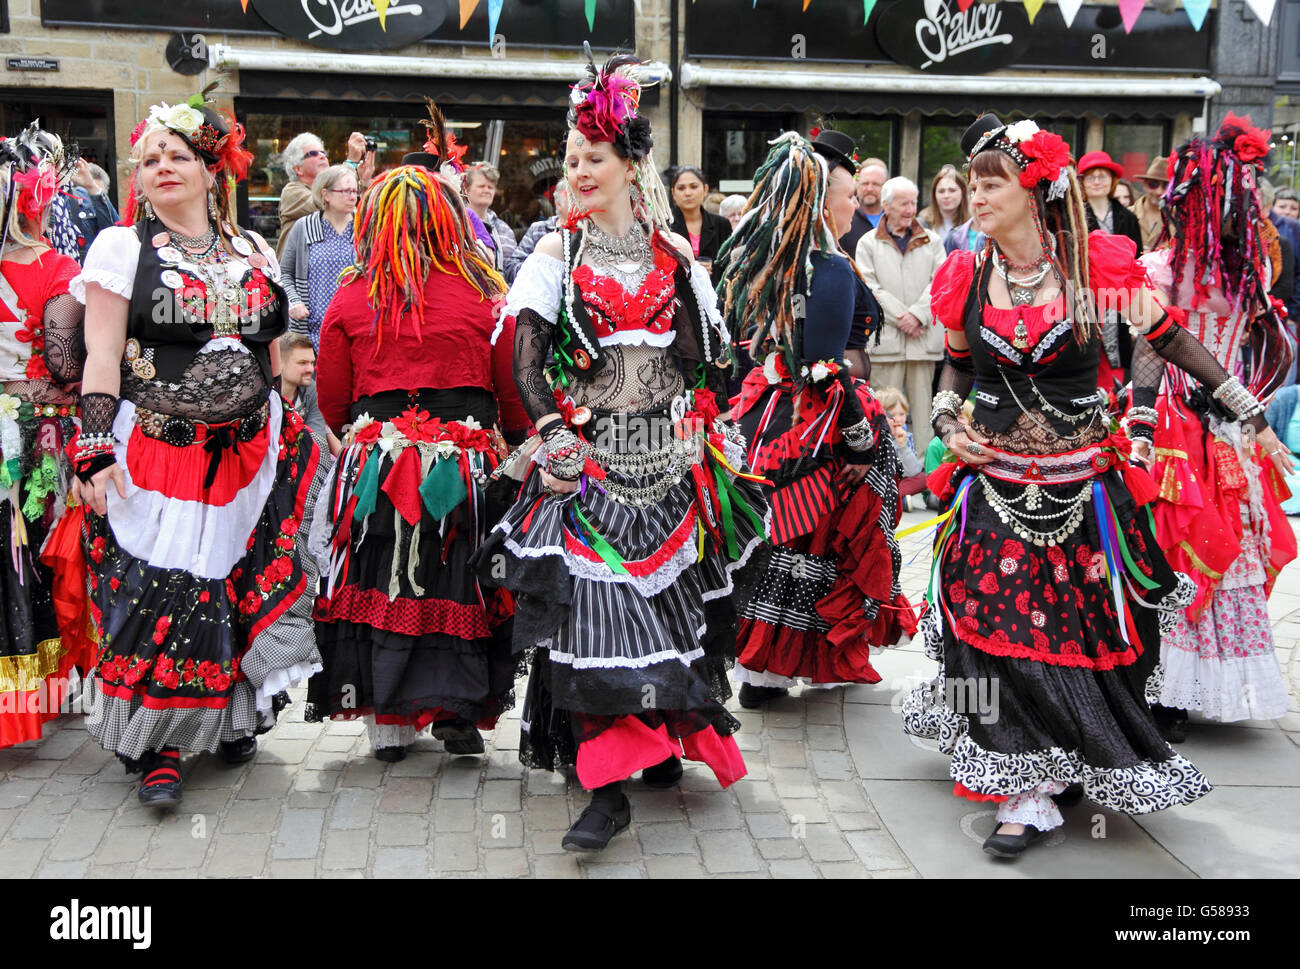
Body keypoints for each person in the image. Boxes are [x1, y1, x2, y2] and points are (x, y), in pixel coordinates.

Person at [900, 113, 1253, 859]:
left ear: (1034, 191)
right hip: (992, 483)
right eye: (972, 183)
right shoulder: (968, 273)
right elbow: (960, 365)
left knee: (1073, 635)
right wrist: (942, 410)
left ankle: (1061, 760)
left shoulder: (1089, 275)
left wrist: (1233, 394)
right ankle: (1024, 787)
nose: (975, 194)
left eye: (992, 182)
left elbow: (1168, 338)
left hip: (1083, 490)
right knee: (990, 626)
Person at [482, 53, 764, 852]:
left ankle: (663, 732)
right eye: (570, 159)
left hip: (668, 467)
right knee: (594, 619)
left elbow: (710, 355)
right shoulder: (554, 254)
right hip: (590, 464)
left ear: (629, 165)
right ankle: (606, 785)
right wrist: (553, 433)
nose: (576, 170)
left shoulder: (674, 253)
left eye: (591, 158)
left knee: (669, 610)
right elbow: (526, 359)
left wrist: (698, 411)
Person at [70, 94, 321, 808]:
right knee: (165, 595)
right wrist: (91, 446)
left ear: (213, 172)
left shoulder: (253, 250)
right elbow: (102, 353)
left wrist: (289, 408)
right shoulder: (123, 250)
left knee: (233, 589)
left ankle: (231, 716)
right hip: (159, 456)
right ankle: (161, 745)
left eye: (177, 155)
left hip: (249, 454)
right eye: (149, 159)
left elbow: (269, 348)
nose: (160, 167)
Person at [307, 159, 530, 763]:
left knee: (379, 579)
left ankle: (388, 723)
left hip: (376, 465)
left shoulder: (354, 292)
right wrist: (515, 442)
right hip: (463, 466)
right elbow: (510, 387)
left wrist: (361, 433)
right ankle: (455, 709)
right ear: (449, 221)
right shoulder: (485, 289)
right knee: (456, 576)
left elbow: (332, 396)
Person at [721, 132, 907, 708]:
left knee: (780, 534)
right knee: (815, 534)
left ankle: (765, 669)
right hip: (814, 420)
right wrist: (856, 440)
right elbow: (824, 368)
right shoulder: (826, 265)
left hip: (769, 410)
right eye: (849, 196)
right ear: (824, 200)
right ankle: (794, 661)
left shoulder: (775, 256)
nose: (856, 206)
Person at [1138, 116, 1298, 736]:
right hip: (1187, 426)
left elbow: (1271, 340)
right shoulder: (1164, 270)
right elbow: (1149, 355)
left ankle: (1182, 687)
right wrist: (1145, 423)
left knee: (1218, 552)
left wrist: (1254, 400)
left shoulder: (1242, 271)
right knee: (1182, 549)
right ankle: (1166, 687)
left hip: (1223, 428)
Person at [0, 123, 95, 748]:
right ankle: (61, 686)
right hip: (46, 437)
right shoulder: (58, 268)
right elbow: (65, 363)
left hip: (2, 429)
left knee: (12, 565)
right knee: (53, 557)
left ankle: (22, 694)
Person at [854, 175, 947, 451]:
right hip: (887, 343)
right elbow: (869, 288)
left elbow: (940, 282)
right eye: (903, 203)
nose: (910, 209)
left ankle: (928, 480)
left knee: (923, 418)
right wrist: (902, 317)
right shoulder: (867, 243)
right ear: (886, 205)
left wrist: (918, 315)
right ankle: (887, 472)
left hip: (923, 340)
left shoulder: (933, 241)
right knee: (884, 412)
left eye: (913, 203)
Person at [279, 163, 358, 352]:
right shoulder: (304, 227)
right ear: (326, 194)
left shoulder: (364, 227)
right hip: (310, 333)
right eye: (346, 191)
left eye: (355, 191)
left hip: (355, 331)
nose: (353, 196)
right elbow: (285, 274)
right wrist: (294, 301)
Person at [277, 131, 373, 258]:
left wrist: (364, 182)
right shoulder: (292, 191)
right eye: (313, 154)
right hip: (299, 274)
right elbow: (327, 203)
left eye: (324, 153)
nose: (322, 156)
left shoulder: (337, 190)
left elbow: (362, 216)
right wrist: (351, 164)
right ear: (298, 169)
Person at [669, 164, 732, 281]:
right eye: (681, 188)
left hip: (713, 293)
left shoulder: (721, 224)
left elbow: (728, 266)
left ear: (705, 190)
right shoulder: (664, 226)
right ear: (673, 193)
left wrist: (712, 268)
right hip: (676, 295)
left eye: (693, 187)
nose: (687, 193)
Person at [462, 163, 518, 280]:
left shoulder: (504, 229)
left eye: (490, 187)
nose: (487, 190)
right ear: (466, 189)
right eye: (481, 186)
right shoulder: (456, 223)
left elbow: (510, 267)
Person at [1078, 150, 1142, 252]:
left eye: (1102, 177)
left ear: (1112, 180)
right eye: (1090, 178)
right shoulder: (1075, 217)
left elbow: (1137, 255)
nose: (1097, 182)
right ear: (1082, 182)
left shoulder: (1129, 218)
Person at [506, 179, 570, 280]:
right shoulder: (539, 229)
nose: (580, 204)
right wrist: (539, 271)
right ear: (558, 204)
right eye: (573, 199)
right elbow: (510, 268)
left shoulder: (590, 231)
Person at [69, 159, 119, 263]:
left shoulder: (105, 208)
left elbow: (117, 238)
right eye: (84, 193)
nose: (92, 202)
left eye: (100, 193)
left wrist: (93, 189)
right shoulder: (66, 208)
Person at [840, 157, 887, 255]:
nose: (869, 189)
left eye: (876, 184)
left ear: (886, 186)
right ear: (857, 184)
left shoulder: (894, 217)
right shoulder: (845, 216)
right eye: (865, 183)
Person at [917, 164, 970, 238]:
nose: (946, 196)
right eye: (941, 191)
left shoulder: (973, 223)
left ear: (963, 192)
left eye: (952, 190)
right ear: (934, 194)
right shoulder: (922, 224)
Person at [1130, 156, 1169, 252]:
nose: (1159, 191)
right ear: (1144, 185)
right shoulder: (1126, 215)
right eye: (1153, 184)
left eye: (1165, 186)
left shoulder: (1179, 219)